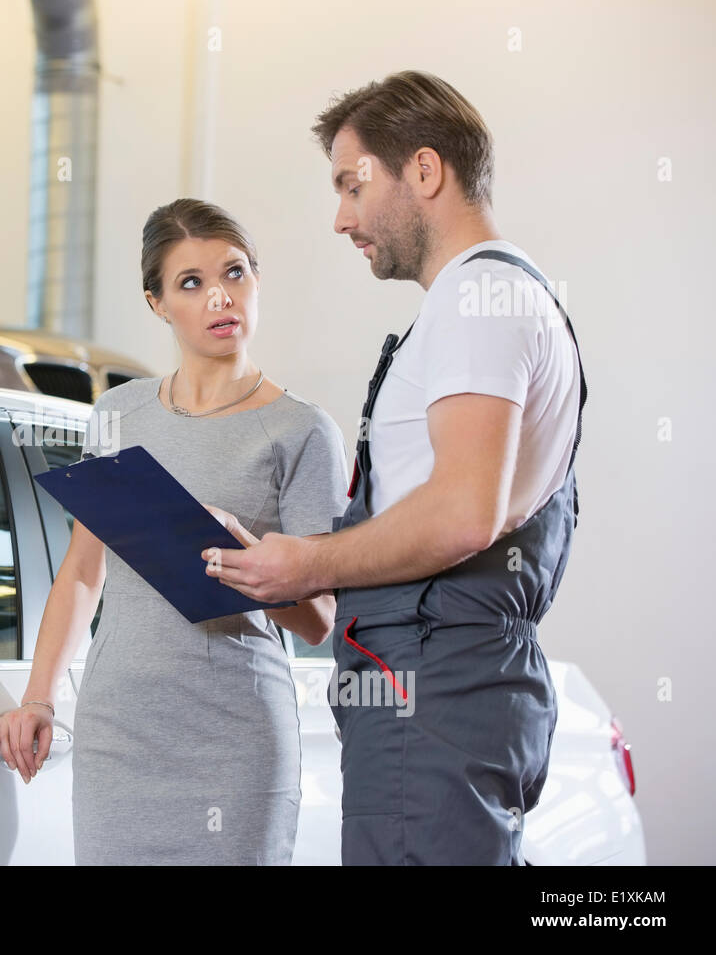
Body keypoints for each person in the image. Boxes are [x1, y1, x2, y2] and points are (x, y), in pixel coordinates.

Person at [204, 71, 586, 865]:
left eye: (353, 185)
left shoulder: (480, 297)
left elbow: (461, 515)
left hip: (434, 691)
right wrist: (282, 570)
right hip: (434, 682)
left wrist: (306, 562)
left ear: (423, 170)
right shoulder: (496, 300)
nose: (342, 219)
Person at [0, 198, 349, 865]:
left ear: (257, 281)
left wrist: (244, 555)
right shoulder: (118, 412)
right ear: (157, 302)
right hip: (118, 731)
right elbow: (81, 573)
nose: (220, 296)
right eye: (192, 283)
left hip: (233, 737)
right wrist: (38, 697)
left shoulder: (301, 431)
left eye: (235, 273)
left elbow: (319, 619)